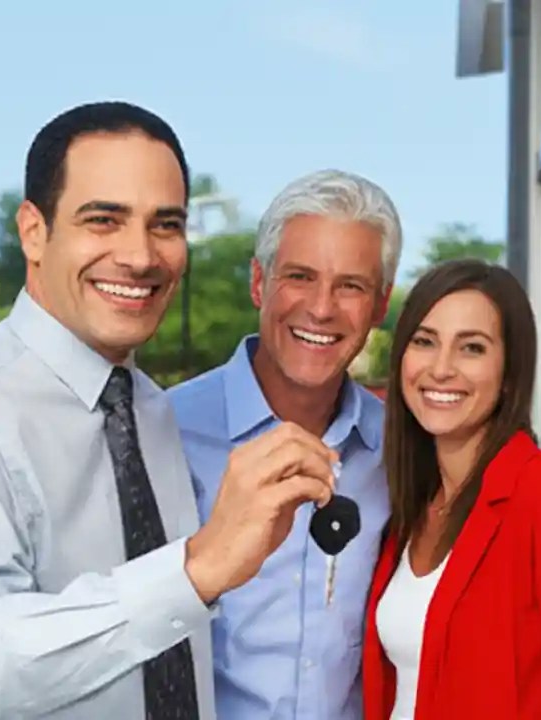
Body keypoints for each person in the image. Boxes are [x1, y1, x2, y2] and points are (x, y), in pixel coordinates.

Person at [0, 100, 341, 720]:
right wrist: (195, 569)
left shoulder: (150, 408)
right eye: (104, 220)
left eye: (165, 225)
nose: (141, 256)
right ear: (34, 232)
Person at [170, 169, 403, 718]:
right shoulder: (162, 431)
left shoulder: (402, 453)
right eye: (300, 276)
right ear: (259, 282)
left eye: (351, 285)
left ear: (380, 304)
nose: (322, 308)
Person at [361, 259, 541, 720]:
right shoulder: (410, 503)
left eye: (472, 348)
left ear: (509, 374)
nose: (441, 368)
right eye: (425, 341)